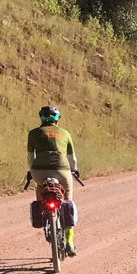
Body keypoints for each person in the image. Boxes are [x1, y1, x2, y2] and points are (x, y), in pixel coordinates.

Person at [24, 105, 84, 255]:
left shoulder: (33, 133)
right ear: (57, 119)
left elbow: (31, 157)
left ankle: (44, 215)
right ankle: (69, 242)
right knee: (67, 200)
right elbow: (72, 159)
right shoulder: (65, 133)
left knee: (40, 188)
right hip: (62, 170)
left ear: (41, 118)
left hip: (39, 171)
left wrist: (32, 171)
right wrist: (74, 170)